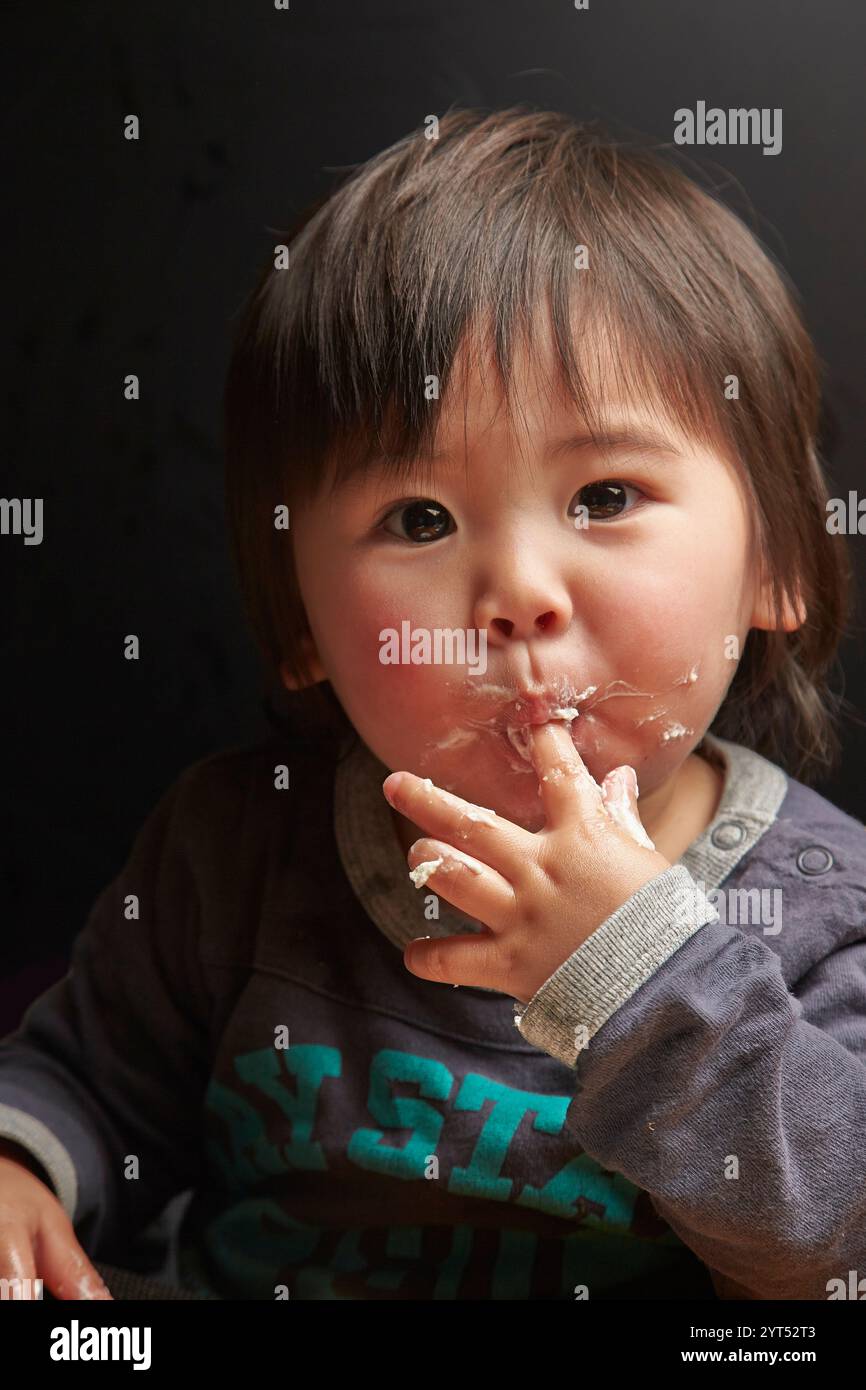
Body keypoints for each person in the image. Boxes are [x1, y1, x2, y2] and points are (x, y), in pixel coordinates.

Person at [1, 105, 864, 1302]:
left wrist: (629, 967)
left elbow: (832, 1246)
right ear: (301, 624)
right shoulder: (239, 850)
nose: (514, 594)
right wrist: (23, 1166)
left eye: (604, 494)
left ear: (773, 562)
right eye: (419, 520)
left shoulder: (821, 910)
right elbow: (94, 1084)